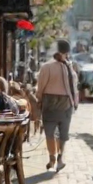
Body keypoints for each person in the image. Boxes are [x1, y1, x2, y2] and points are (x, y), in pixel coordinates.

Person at [36, 39, 78, 171]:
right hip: (66, 103)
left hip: (50, 102)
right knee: (62, 133)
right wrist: (75, 103)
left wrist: (39, 98)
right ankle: (60, 157)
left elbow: (41, 86)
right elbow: (75, 88)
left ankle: (52, 158)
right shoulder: (70, 68)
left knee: (50, 132)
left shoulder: (47, 67)